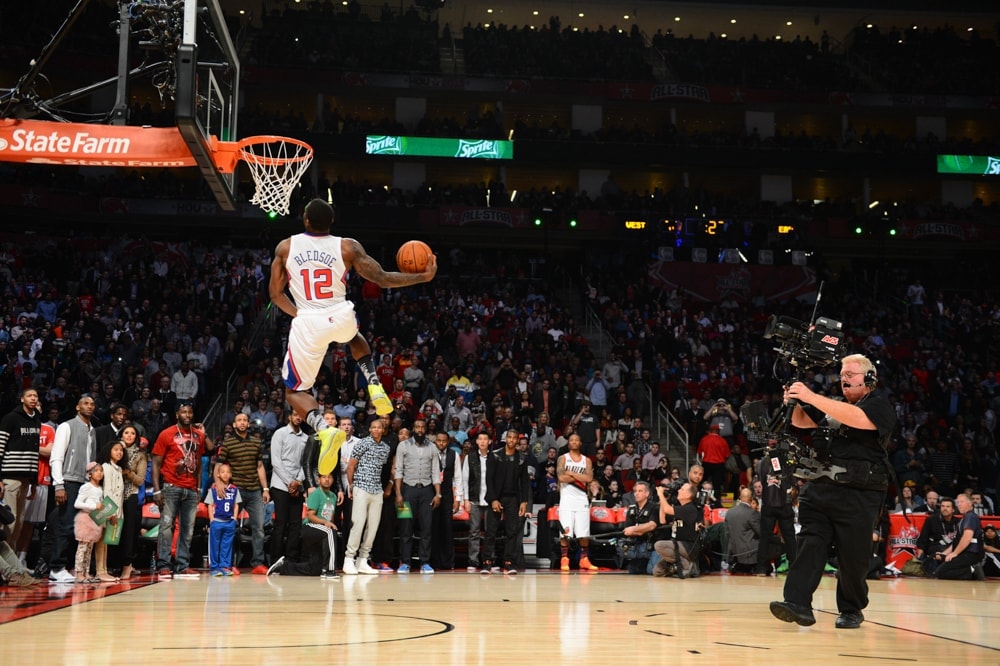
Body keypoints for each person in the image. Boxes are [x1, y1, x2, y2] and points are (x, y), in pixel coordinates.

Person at [269, 199, 436, 479]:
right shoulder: (348, 246)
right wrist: (423, 276)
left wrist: (301, 314)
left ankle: (324, 429)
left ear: (306, 221)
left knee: (294, 392)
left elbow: (275, 295)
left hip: (308, 322)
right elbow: (382, 278)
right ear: (332, 222)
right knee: (354, 336)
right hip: (340, 314)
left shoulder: (285, 247)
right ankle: (373, 381)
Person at [770, 354, 896, 630]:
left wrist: (811, 396)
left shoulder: (878, 406)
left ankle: (851, 608)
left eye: (850, 375)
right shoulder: (834, 406)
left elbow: (858, 419)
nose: (844, 379)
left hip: (859, 493)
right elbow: (804, 422)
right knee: (810, 544)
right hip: (820, 488)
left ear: (870, 378)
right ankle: (797, 603)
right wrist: (792, 402)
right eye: (841, 375)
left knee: (853, 557)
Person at [151, 403, 206, 579]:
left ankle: (182, 566)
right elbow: (156, 463)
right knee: (166, 526)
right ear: (177, 415)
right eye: (184, 412)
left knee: (187, 529)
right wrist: (156, 490)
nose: (187, 415)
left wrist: (199, 487)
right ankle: (163, 565)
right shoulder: (166, 434)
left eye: (190, 412)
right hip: (171, 486)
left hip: (191, 488)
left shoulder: (199, 435)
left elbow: (198, 463)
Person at [46, 396, 97, 584]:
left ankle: (73, 567)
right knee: (66, 524)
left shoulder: (92, 430)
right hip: (69, 481)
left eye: (92, 404)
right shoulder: (67, 426)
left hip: (85, 483)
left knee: (81, 528)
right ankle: (56, 568)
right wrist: (59, 484)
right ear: (77, 407)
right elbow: (56, 457)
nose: (89, 406)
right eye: (85, 403)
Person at [216, 412, 270, 575]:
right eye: (239, 420)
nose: (242, 422)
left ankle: (258, 563)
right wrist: (219, 483)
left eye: (245, 420)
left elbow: (259, 466)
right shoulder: (228, 443)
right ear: (234, 424)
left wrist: (265, 488)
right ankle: (228, 563)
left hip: (254, 491)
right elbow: (218, 464)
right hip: (236, 491)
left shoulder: (256, 442)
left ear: (248, 424)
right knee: (230, 527)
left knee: (259, 528)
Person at [342, 418, 392, 575]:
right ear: (370, 429)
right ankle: (349, 558)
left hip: (377, 489)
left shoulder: (386, 448)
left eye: (379, 427)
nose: (376, 429)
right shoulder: (362, 443)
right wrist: (351, 486)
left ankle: (363, 560)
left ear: (383, 430)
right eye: (373, 427)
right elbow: (351, 466)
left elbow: (382, 468)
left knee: (373, 526)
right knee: (358, 523)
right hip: (361, 486)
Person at [269, 471, 340, 579]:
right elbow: (310, 516)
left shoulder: (333, 496)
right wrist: (325, 523)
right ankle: (329, 570)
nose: (327, 479)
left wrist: (329, 523)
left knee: (314, 569)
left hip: (322, 531)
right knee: (330, 531)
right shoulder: (316, 493)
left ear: (333, 480)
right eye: (324, 477)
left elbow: (331, 518)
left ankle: (282, 567)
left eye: (329, 477)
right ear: (318, 480)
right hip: (310, 526)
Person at [0, 388, 42, 555]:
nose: (33, 398)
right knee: (10, 521)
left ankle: (12, 562)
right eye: (29, 396)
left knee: (19, 523)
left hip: (26, 478)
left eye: (35, 396)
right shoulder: (11, 418)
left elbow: (34, 452)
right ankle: (4, 563)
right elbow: (0, 447)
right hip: (10, 476)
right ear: (22, 399)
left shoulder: (36, 420)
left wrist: (34, 482)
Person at [394, 418, 438, 574]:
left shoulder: (432, 447)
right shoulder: (403, 445)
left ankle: (425, 562)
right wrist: (398, 494)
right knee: (405, 527)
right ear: (413, 428)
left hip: (427, 491)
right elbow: (398, 470)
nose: (420, 429)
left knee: (427, 527)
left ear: (426, 429)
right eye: (417, 427)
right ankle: (405, 562)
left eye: (422, 427)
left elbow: (435, 472)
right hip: (407, 491)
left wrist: (438, 494)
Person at [485, 428, 531, 575]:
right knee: (491, 531)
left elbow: (525, 481)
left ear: (517, 440)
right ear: (506, 438)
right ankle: (487, 562)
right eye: (509, 437)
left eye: (514, 438)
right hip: (497, 497)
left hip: (513, 498)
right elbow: (489, 479)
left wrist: (524, 501)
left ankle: (508, 563)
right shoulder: (495, 455)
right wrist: (493, 499)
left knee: (512, 531)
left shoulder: (522, 458)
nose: (511, 440)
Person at [269, 411, 308, 565]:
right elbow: (276, 461)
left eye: (300, 415)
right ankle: (276, 560)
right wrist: (290, 482)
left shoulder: (305, 438)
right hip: (280, 484)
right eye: (295, 415)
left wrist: (298, 481)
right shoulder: (280, 433)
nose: (298, 417)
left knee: (295, 524)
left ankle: (291, 559)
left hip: (297, 485)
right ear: (289, 417)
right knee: (280, 523)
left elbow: (305, 463)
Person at [557, 433, 598, 572]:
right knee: (565, 532)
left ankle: (584, 559)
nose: (574, 442)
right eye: (571, 440)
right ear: (568, 443)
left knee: (583, 532)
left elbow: (589, 479)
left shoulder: (587, 460)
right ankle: (564, 559)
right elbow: (561, 478)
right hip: (567, 499)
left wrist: (571, 474)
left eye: (576, 440)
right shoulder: (563, 458)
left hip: (582, 499)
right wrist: (580, 477)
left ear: (580, 443)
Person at [756, 453, 797, 575]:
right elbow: (793, 481)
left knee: (765, 537)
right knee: (789, 537)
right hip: (784, 503)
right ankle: (794, 567)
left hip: (768, 502)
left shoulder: (763, 462)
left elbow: (760, 477)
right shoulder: (788, 461)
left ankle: (761, 568)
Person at [462, 431, 495, 573]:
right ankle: (473, 561)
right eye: (479, 439)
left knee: (490, 531)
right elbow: (465, 479)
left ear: (489, 442)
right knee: (474, 531)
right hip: (474, 499)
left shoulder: (495, 457)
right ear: (476, 441)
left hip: (490, 500)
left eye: (485, 439)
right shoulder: (470, 457)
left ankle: (490, 560)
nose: (482, 441)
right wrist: (466, 499)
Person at [429, 431, 463, 571]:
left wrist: (458, 498)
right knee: (433, 527)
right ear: (435, 441)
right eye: (439, 440)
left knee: (447, 528)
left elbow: (458, 478)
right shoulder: (430, 453)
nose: (441, 443)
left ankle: (448, 562)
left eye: (444, 441)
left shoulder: (454, 455)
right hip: (431, 493)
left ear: (448, 442)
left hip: (448, 495)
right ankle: (433, 561)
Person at [653, 482, 702, 578]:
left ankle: (686, 565)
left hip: (688, 547)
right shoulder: (680, 508)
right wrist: (664, 499)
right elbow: (662, 520)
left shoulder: (690, 508)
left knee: (659, 545)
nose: (679, 490)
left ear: (688, 495)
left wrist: (660, 494)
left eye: (682, 489)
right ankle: (677, 566)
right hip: (676, 546)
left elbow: (667, 509)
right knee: (657, 571)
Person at [117, 425, 146, 580]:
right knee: (113, 529)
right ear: (121, 435)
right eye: (126, 432)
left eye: (132, 433)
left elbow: (140, 480)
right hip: (113, 494)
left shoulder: (140, 455)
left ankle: (127, 565)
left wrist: (128, 473)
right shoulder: (115, 450)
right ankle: (110, 564)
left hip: (130, 495)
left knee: (129, 531)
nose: (129, 435)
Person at [933, 493, 985, 580]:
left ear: (970, 503)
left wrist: (955, 553)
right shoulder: (964, 519)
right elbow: (957, 541)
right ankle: (971, 571)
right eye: (958, 502)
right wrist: (944, 554)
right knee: (940, 571)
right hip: (964, 554)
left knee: (941, 573)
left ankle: (972, 570)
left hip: (970, 554)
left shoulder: (970, 517)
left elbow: (967, 538)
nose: (959, 504)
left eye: (962, 502)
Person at [94, 440, 125, 582]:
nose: (119, 452)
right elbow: (107, 491)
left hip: (115, 509)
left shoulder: (118, 469)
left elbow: (120, 494)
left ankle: (104, 570)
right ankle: (100, 571)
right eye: (116, 449)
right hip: (107, 508)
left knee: (107, 541)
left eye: (121, 450)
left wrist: (119, 513)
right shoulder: (106, 467)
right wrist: (111, 511)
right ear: (109, 451)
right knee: (101, 540)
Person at [204, 462, 241, 576]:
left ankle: (225, 566)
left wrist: (234, 519)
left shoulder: (234, 489)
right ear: (218, 474)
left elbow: (236, 505)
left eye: (228, 472)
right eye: (223, 472)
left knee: (227, 546)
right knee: (215, 546)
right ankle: (214, 567)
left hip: (229, 522)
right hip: (217, 521)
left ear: (231, 475)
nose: (225, 474)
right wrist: (212, 520)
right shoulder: (213, 489)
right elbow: (209, 504)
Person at [72, 462, 105, 584]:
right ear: (89, 474)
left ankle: (86, 572)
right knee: (82, 548)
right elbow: (77, 503)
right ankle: (79, 573)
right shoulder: (86, 487)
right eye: (96, 471)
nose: (99, 473)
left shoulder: (100, 489)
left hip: (95, 520)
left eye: (101, 470)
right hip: (86, 519)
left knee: (89, 549)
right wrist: (94, 506)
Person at [620, 480, 660, 574]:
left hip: (652, 544)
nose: (636, 493)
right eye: (635, 491)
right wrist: (640, 530)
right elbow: (627, 530)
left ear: (647, 493)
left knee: (651, 570)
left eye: (640, 491)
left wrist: (635, 529)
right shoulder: (632, 509)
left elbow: (652, 525)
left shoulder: (654, 507)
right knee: (633, 570)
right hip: (637, 544)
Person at [915, 496, 960, 575]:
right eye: (943, 506)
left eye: (948, 506)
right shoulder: (931, 520)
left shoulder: (958, 522)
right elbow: (923, 537)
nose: (945, 508)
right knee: (941, 550)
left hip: (952, 547)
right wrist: (920, 549)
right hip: (935, 546)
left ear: (953, 509)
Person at [725, 487, 762, 573]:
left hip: (733, 554)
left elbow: (727, 534)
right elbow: (761, 533)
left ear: (740, 498)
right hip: (749, 556)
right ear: (751, 499)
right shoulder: (752, 513)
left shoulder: (729, 512)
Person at [696, 424, 729, 507]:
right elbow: (727, 455)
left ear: (710, 431)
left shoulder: (704, 439)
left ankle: (700, 501)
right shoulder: (722, 440)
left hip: (706, 464)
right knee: (718, 486)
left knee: (702, 483)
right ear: (718, 431)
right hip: (719, 465)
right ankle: (718, 505)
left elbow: (699, 453)